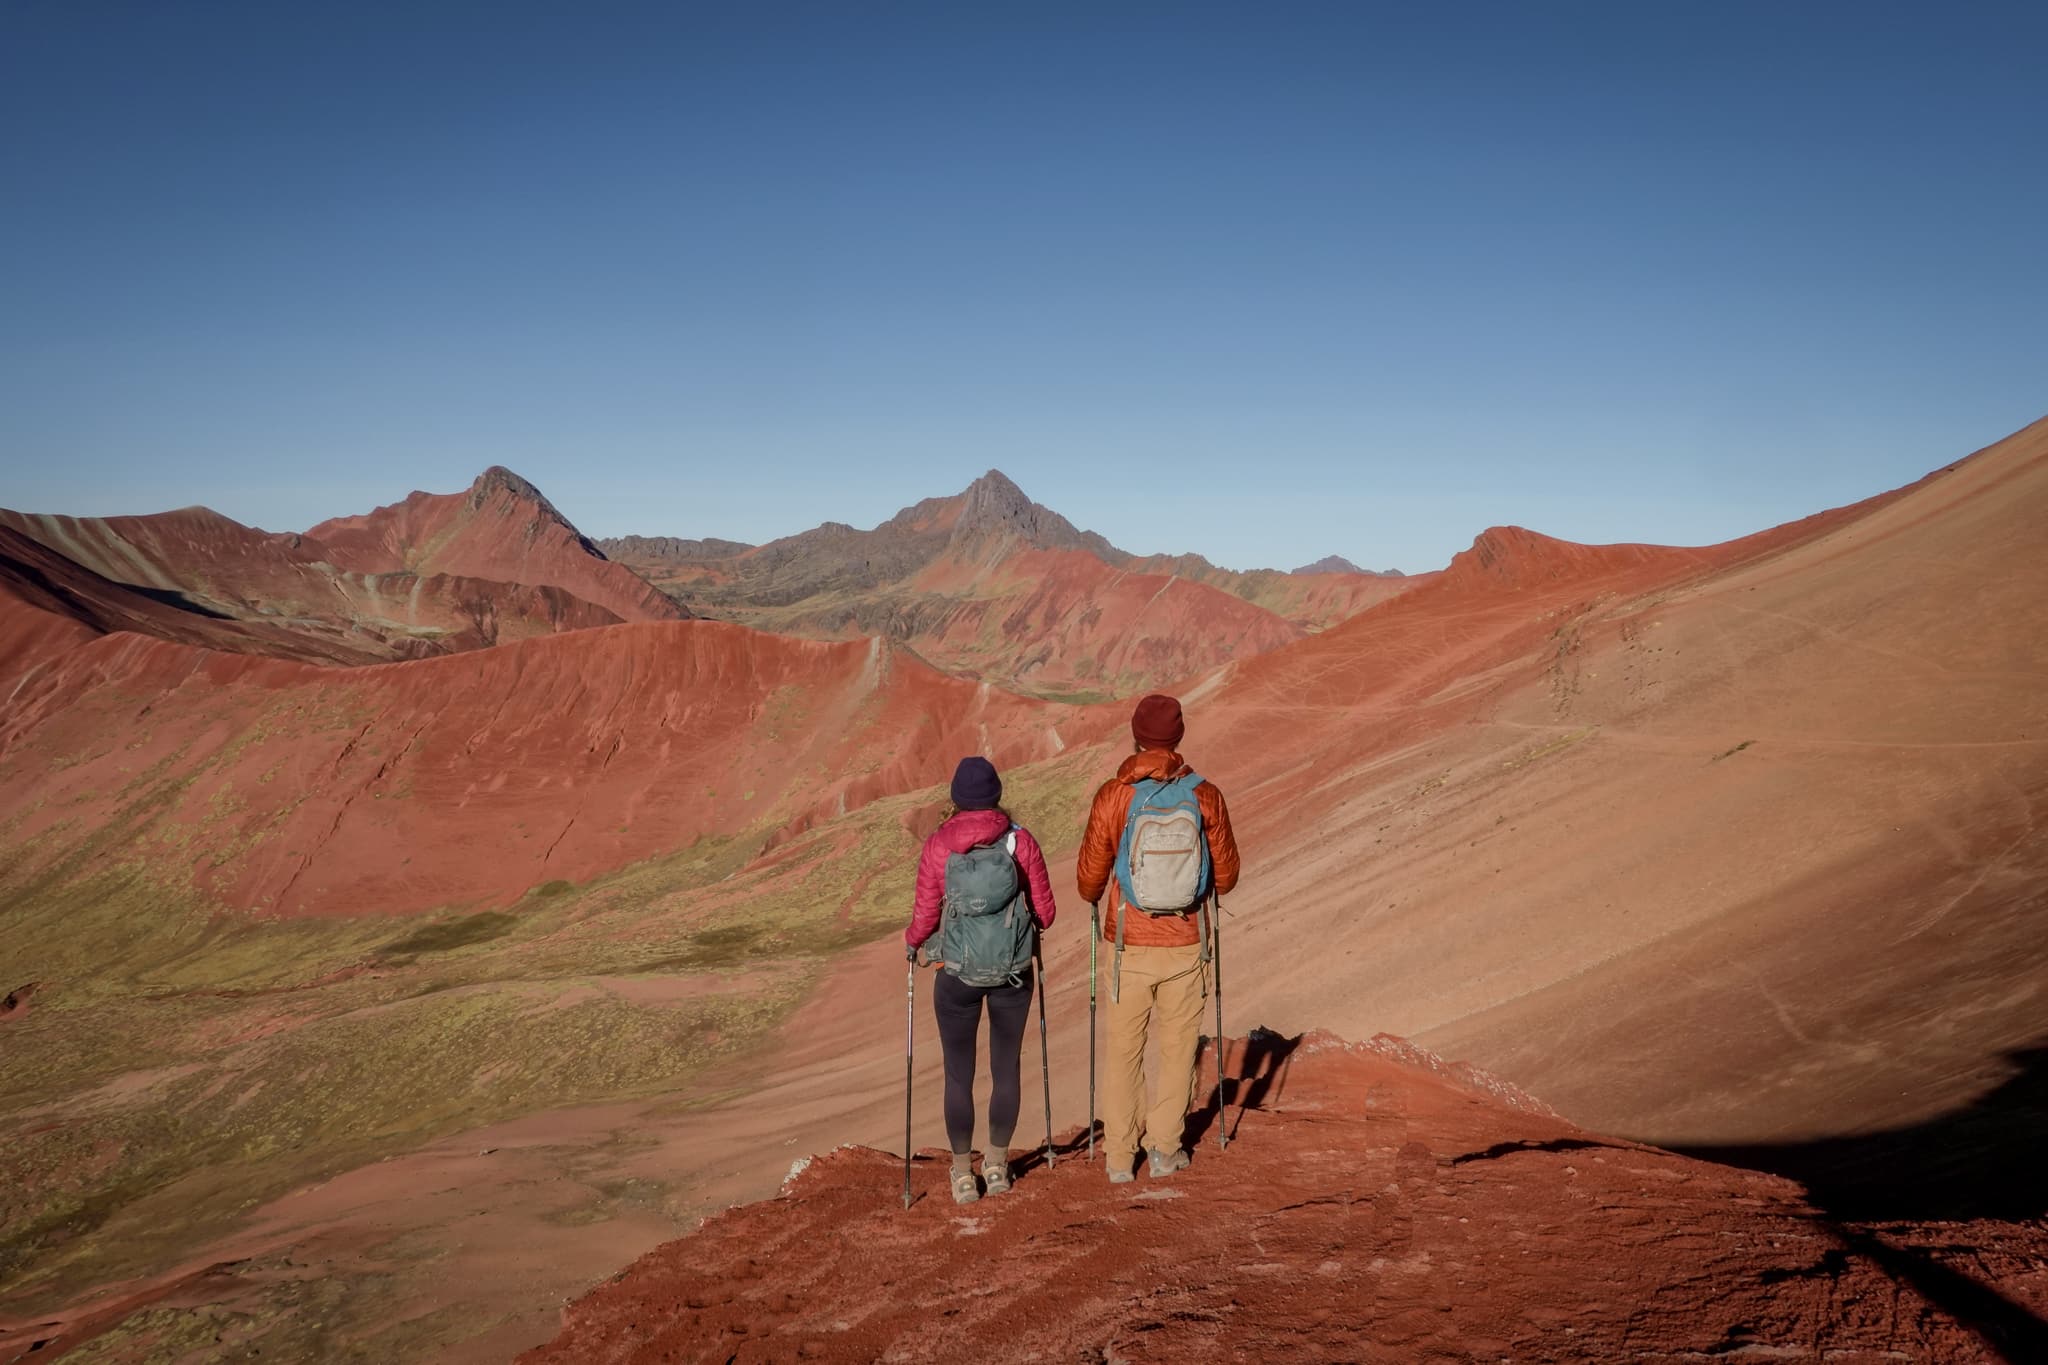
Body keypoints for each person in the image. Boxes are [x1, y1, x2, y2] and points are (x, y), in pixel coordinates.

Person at [1076, 693, 1240, 1184]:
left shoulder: (1114, 795)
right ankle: (1166, 1150)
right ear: (1178, 738)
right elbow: (1227, 876)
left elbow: (1089, 880)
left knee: (1125, 1050)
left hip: (1129, 943)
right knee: (1177, 1048)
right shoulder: (1204, 794)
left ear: (1135, 735)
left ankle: (1120, 1158)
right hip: (1187, 943)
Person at [904, 755, 1058, 1204]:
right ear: (996, 797)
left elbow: (926, 914)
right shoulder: (1019, 842)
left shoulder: (939, 846)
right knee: (1004, 1069)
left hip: (957, 976)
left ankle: (961, 1175)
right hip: (1012, 974)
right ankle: (996, 1165)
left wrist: (913, 943)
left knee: (959, 1074)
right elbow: (1045, 912)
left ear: (956, 799)